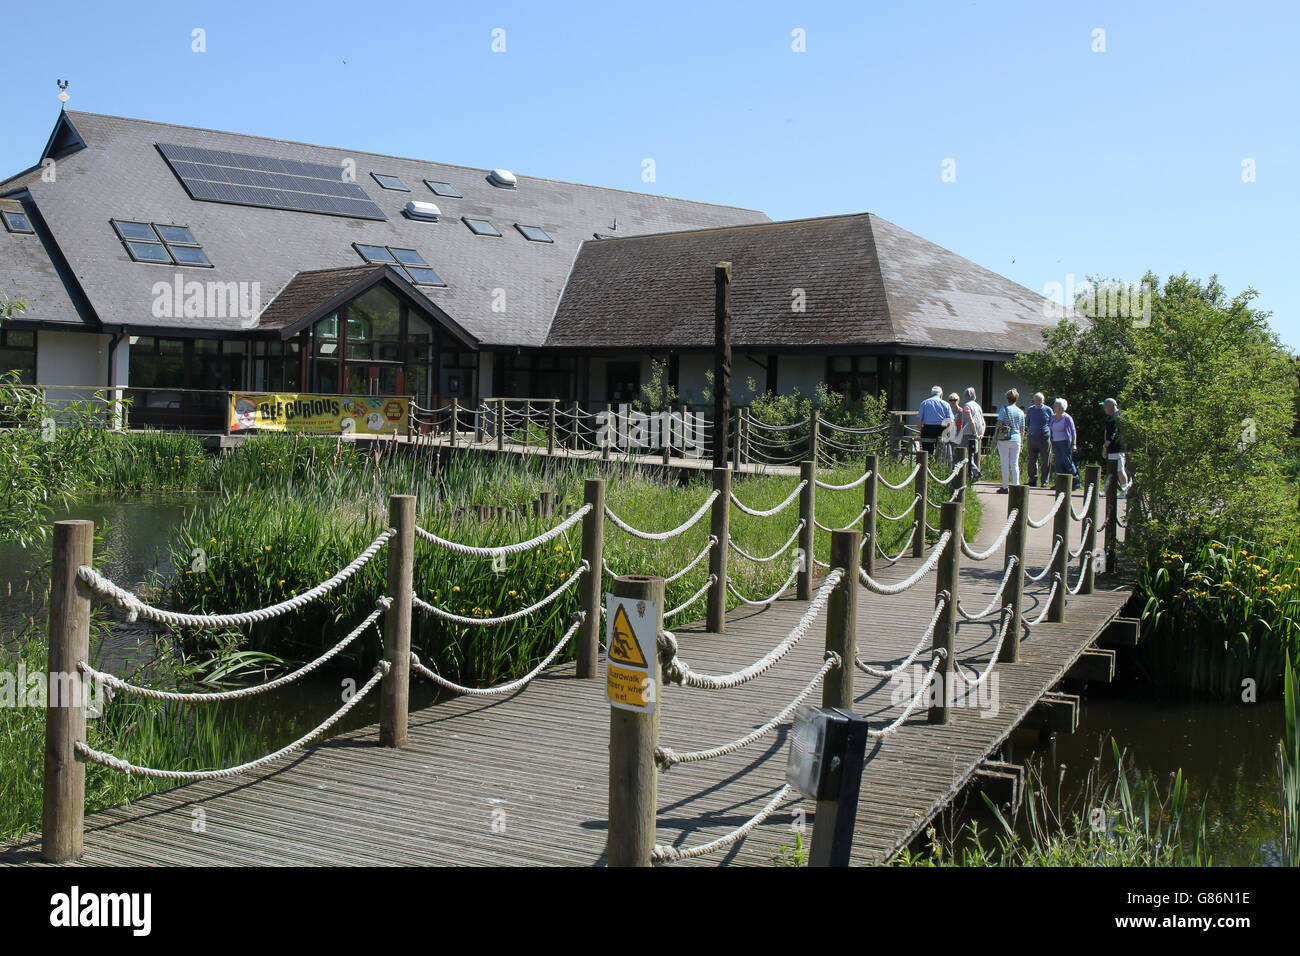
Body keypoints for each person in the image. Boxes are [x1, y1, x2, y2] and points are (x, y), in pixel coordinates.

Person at [995, 389, 1026, 492]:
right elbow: (1022, 429)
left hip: (1004, 438)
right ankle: (1016, 485)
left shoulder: (1004, 409)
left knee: (1004, 462)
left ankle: (1005, 486)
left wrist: (995, 437)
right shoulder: (1021, 412)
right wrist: (1022, 443)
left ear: (1007, 398)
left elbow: (999, 423)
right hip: (1016, 439)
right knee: (1014, 463)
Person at [1099, 398, 1131, 498]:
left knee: (1120, 470)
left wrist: (1105, 446)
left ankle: (1125, 491)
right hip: (1115, 448)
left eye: (1105, 406)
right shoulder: (1117, 416)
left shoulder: (1116, 417)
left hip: (1117, 448)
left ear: (1110, 406)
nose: (1104, 408)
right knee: (1111, 470)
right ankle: (1107, 490)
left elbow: (1113, 434)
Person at [1025, 391, 1053, 487]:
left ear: (1043, 400)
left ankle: (1044, 481)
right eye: (1036, 400)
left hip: (1044, 438)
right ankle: (1033, 480)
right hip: (1032, 437)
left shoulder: (1048, 410)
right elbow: (1027, 422)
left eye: (1040, 400)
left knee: (1046, 460)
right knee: (1032, 460)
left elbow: (1051, 423)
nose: (1037, 401)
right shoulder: (1030, 409)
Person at [1050, 397, 1080, 486]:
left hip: (1065, 442)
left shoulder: (1067, 418)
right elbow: (1050, 429)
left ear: (1062, 407)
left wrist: (1074, 444)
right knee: (1058, 462)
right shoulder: (1053, 417)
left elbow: (1073, 432)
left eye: (1056, 406)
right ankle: (1060, 483)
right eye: (1055, 405)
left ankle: (1075, 481)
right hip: (1055, 442)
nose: (1054, 407)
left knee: (1067, 462)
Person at [917, 385, 953, 454]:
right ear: (941, 394)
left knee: (927, 451)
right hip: (941, 429)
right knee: (941, 451)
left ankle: (927, 463)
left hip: (927, 428)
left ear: (931, 394)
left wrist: (920, 430)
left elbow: (919, 418)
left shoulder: (924, 403)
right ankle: (939, 464)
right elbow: (950, 420)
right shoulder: (946, 404)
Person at [960, 387, 984, 482]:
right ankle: (970, 475)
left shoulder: (966, 406)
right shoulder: (978, 406)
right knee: (972, 454)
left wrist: (974, 432)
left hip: (968, 433)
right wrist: (980, 433)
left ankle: (975, 472)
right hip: (977, 433)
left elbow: (971, 420)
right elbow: (982, 421)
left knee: (967, 455)